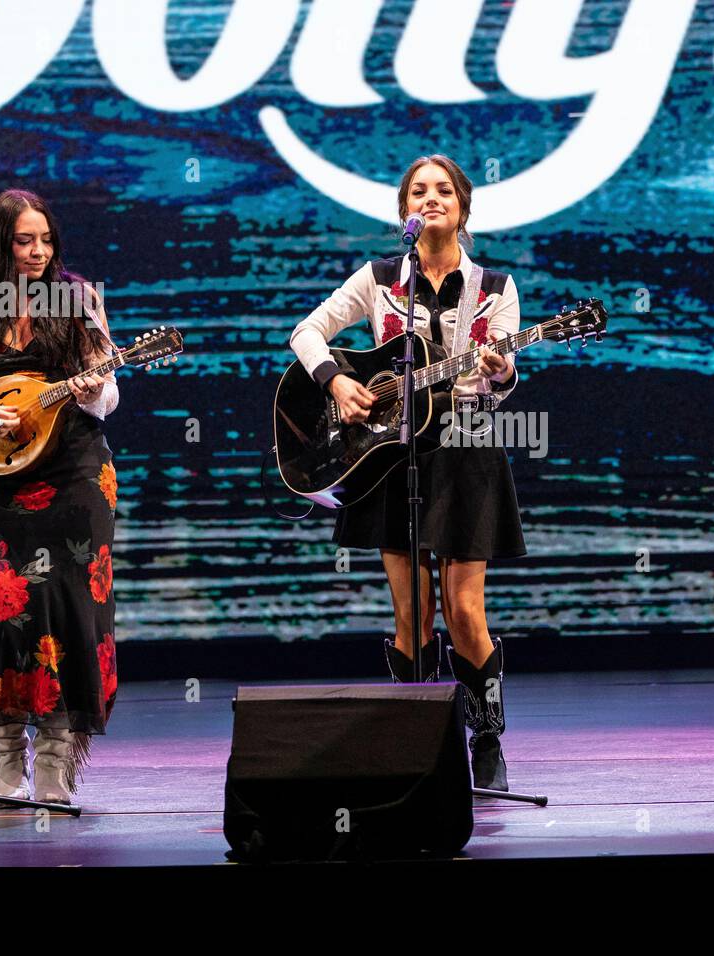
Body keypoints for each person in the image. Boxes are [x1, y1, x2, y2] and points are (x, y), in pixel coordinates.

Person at [289, 155, 525, 790]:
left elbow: (497, 383)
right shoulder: (379, 278)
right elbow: (306, 333)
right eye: (419, 191)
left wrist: (501, 369)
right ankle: (416, 738)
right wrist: (337, 379)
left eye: (443, 190)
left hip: (466, 451)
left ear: (464, 206)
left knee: (464, 609)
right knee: (411, 612)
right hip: (392, 458)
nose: (431, 199)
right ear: (403, 210)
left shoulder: (496, 288)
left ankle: (487, 738)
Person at [0, 188, 119, 804]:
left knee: (67, 612)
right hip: (0, 483)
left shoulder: (77, 300)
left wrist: (90, 390)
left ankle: (56, 764)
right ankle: (7, 761)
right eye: (24, 241)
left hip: (75, 477)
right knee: (5, 614)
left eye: (46, 240)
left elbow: (108, 396)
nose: (38, 252)